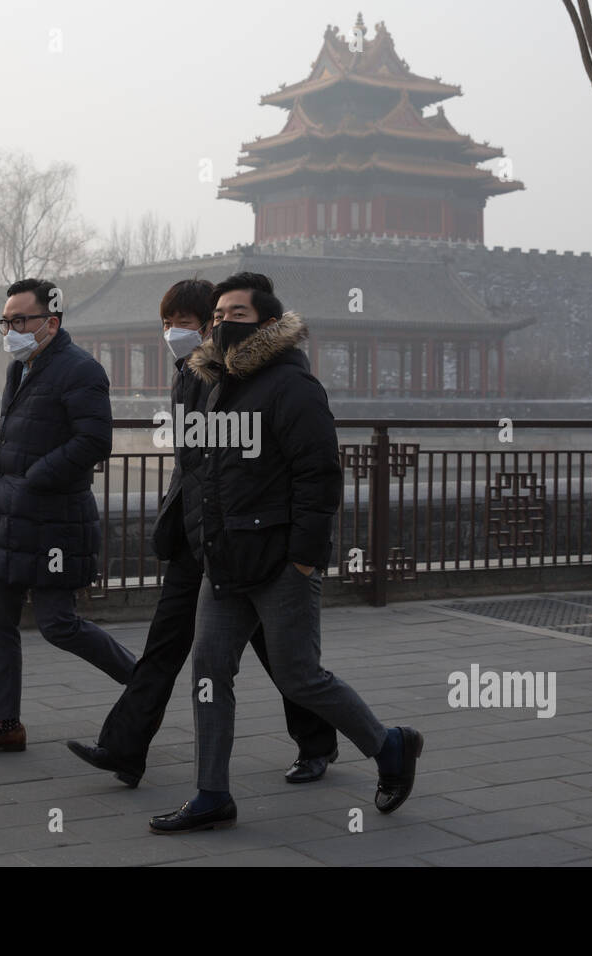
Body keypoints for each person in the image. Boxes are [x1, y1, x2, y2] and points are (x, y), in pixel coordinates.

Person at [150, 272, 423, 834]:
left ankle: (389, 744)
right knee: (208, 672)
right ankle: (211, 795)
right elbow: (203, 471)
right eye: (219, 315)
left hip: (279, 562)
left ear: (270, 325)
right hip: (223, 561)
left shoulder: (292, 387)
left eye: (238, 315)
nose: (224, 323)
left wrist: (304, 558)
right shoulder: (213, 382)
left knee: (301, 678)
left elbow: (319, 476)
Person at [66, 279, 337, 787]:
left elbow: (298, 470)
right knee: (166, 644)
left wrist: (303, 554)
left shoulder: (235, 376)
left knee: (283, 659)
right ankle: (125, 747)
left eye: (184, 323)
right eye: (167, 323)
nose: (174, 332)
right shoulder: (188, 374)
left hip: (236, 536)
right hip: (197, 534)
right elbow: (190, 462)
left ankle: (318, 742)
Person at [0, 278, 137, 754]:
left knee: (58, 624)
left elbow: (95, 441)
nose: (9, 329)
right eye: (5, 321)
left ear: (50, 323)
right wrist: (0, 474)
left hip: (54, 520)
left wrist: (36, 477)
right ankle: (3, 724)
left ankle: (143, 681)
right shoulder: (22, 368)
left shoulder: (80, 370)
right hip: (9, 518)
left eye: (20, 320)